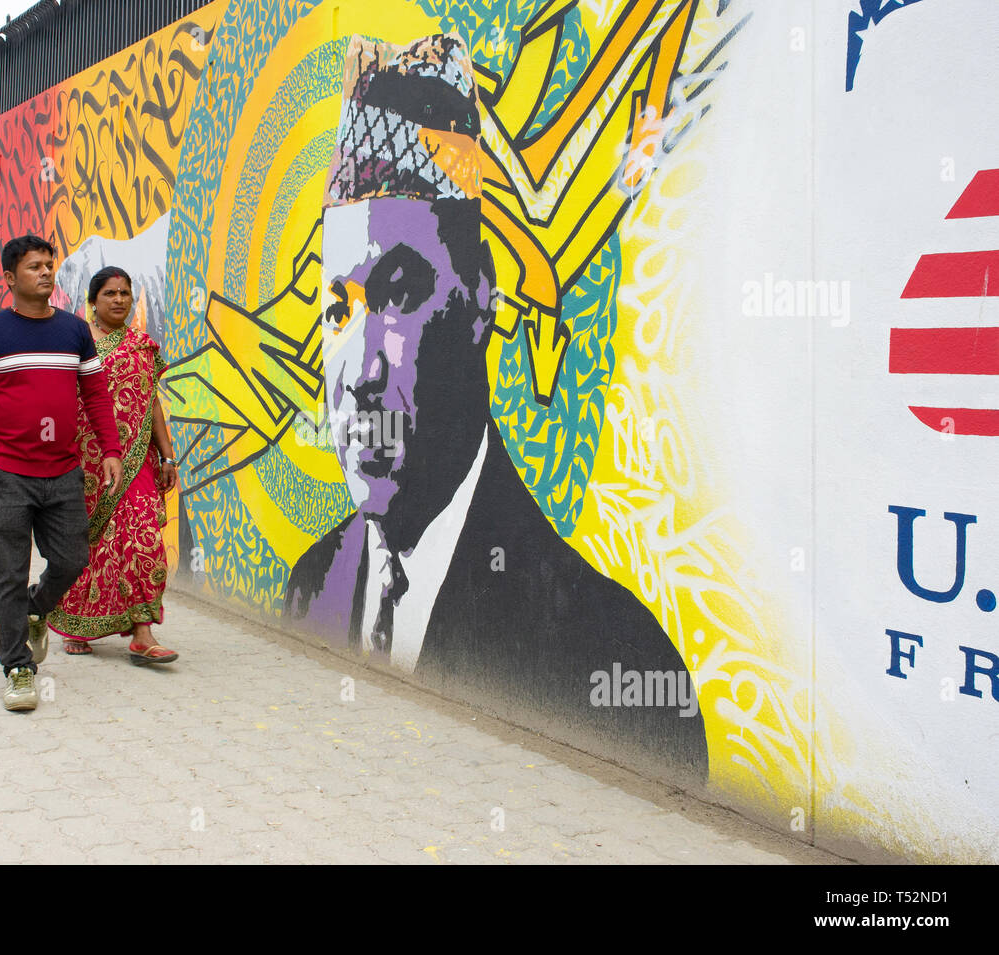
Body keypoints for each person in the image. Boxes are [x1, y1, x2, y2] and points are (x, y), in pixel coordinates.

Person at [283, 34, 708, 782]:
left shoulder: (611, 657)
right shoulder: (313, 582)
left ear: (480, 302)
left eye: (400, 294)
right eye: (337, 309)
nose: (362, 371)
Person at [0, 235, 124, 712]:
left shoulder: (73, 332)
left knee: (72, 559)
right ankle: (18, 669)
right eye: (34, 267)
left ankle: (34, 608)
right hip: (8, 469)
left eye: (49, 265)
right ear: (10, 278)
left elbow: (96, 396)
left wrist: (110, 448)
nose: (46, 273)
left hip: (64, 468)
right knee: (9, 568)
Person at [46, 266, 179, 664]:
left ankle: (142, 631)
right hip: (86, 463)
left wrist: (167, 455)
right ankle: (75, 622)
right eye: (109, 293)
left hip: (136, 461)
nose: (119, 299)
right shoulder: (76, 346)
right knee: (86, 544)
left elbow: (151, 401)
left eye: (125, 292)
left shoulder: (141, 346)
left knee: (142, 536)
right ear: (93, 301)